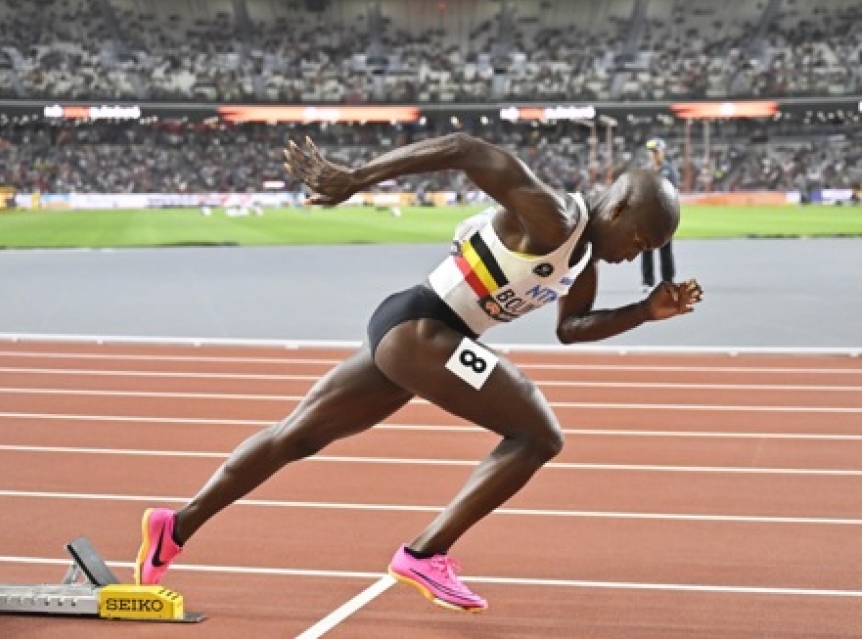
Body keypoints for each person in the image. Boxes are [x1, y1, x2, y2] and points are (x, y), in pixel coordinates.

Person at [134, 133, 703, 613]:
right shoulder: (552, 217)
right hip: (425, 330)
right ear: (622, 208)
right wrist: (356, 177)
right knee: (539, 434)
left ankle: (174, 527)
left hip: (413, 334)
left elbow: (571, 327)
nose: (638, 255)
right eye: (641, 240)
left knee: (296, 436)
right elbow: (465, 149)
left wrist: (644, 313)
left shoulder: (581, 260)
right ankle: (424, 555)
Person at [640, 137, 680, 293]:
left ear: (662, 152)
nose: (653, 155)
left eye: (656, 152)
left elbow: (671, 193)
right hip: (648, 216)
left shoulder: (669, 171)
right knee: (646, 250)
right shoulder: (646, 170)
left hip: (663, 216)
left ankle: (668, 281)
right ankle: (647, 281)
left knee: (665, 250)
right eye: (651, 152)